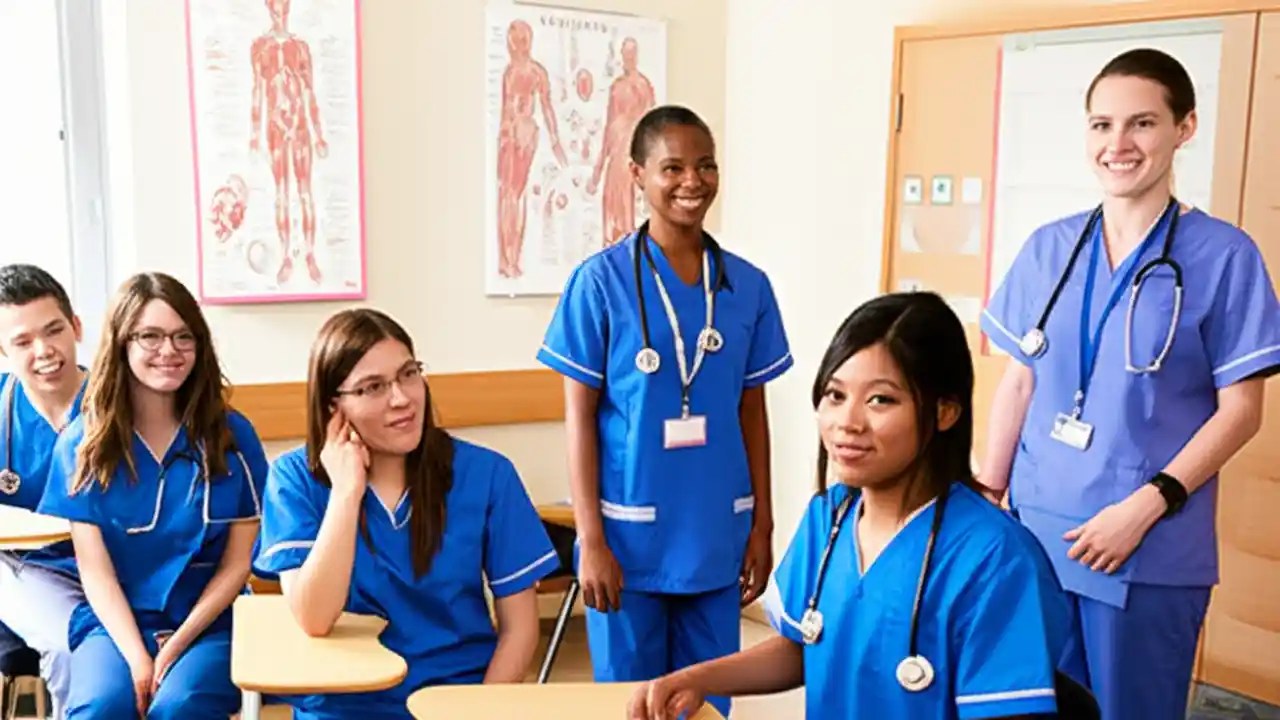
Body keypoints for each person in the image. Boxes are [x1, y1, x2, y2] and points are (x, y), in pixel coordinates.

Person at [979, 48, 1280, 719]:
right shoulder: (1049, 249)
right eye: (1100, 125)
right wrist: (983, 495)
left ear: (1185, 128)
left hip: (1145, 549)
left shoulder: (1225, 257)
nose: (1117, 144)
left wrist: (1143, 508)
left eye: (1141, 123)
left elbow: (1242, 412)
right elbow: (1019, 383)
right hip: (1035, 540)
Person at [629, 292, 1072, 720]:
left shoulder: (995, 558)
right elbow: (804, 646)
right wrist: (697, 678)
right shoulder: (830, 519)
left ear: (944, 412)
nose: (847, 423)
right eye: (836, 396)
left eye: (881, 399)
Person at [537, 104, 793, 717]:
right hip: (628, 537)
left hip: (714, 530)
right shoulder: (598, 284)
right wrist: (590, 539)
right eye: (672, 167)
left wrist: (762, 524)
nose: (692, 181)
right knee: (630, 703)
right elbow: (579, 419)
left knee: (707, 703)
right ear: (636, 175)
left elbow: (753, 413)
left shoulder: (746, 287)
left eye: (705, 165)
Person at [254, 308, 559, 719]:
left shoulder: (487, 474)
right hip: (344, 706)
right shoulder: (295, 479)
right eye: (373, 387)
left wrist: (480, 712)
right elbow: (314, 617)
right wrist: (346, 492)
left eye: (408, 374)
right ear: (333, 407)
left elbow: (520, 631)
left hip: (458, 701)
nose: (402, 398)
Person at [37, 272, 269, 719]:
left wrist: (177, 643)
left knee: (179, 707)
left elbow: (238, 564)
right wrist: (140, 660)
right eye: (151, 336)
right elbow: (97, 575)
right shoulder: (83, 444)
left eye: (184, 336)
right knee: (102, 706)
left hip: (208, 624)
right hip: (114, 624)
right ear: (122, 342)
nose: (170, 351)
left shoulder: (232, 437)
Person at [0, 264, 89, 719]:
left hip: (118, 564)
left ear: (76, 327)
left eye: (54, 330)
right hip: (21, 567)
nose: (44, 351)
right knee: (69, 645)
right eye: (22, 342)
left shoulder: (121, 402)